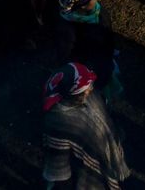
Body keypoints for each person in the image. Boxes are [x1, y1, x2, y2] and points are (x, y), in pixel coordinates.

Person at [41, 61, 131, 190]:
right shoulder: (58, 120)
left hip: (102, 159)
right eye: (87, 87)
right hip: (83, 173)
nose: (91, 88)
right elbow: (59, 170)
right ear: (73, 93)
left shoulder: (90, 96)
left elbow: (105, 121)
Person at [49, 0, 120, 97]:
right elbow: (66, 55)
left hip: (104, 57)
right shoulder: (68, 29)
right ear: (82, 6)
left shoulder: (97, 10)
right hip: (89, 68)